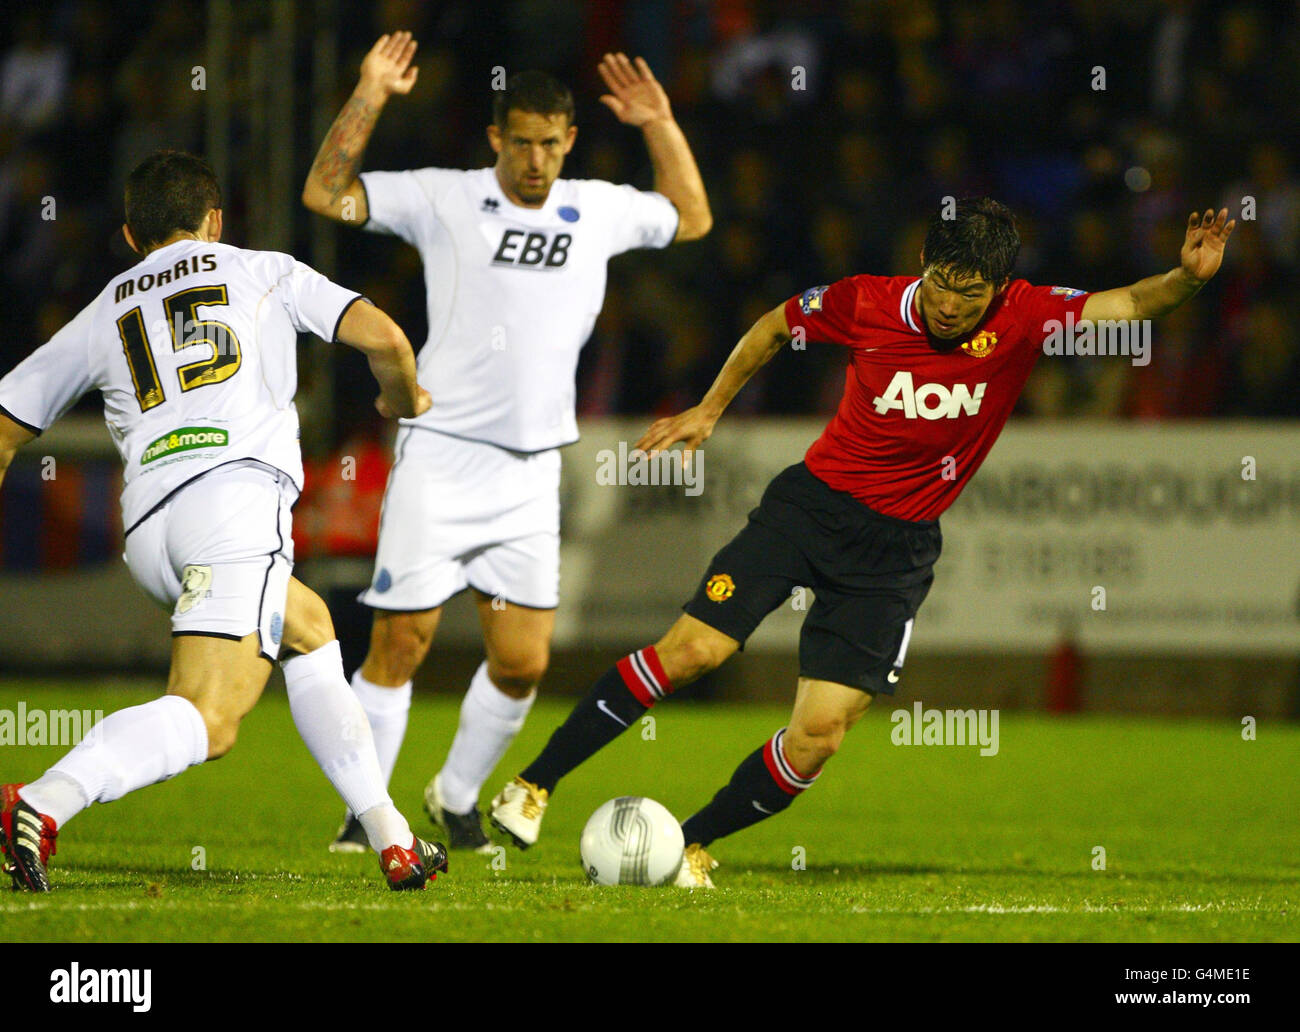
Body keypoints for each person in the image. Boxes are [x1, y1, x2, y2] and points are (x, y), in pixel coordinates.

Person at [490, 197, 1236, 887]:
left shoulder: (1028, 316)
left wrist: (1188, 278)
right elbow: (777, 324)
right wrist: (711, 408)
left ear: (999, 290)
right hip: (809, 510)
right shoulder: (867, 300)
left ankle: (686, 843)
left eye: (969, 295)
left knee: (817, 737)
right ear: (924, 265)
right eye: (941, 285)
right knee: (692, 652)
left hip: (896, 553)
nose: (949, 306)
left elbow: (1135, 303)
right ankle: (535, 783)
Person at [302, 32, 712, 851]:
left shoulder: (596, 207)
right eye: (519, 142)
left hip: (531, 471)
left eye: (549, 144)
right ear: (496, 139)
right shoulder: (443, 197)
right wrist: (372, 90)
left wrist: (660, 121)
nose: (534, 159)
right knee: (402, 642)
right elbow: (325, 193)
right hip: (443, 453)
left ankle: (453, 798)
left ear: (570, 141)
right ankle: (366, 815)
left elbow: (693, 218)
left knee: (524, 661)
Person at [0, 150, 447, 892]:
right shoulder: (264, 269)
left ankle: (392, 839)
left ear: (132, 236)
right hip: (233, 507)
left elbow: (8, 423)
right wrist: (403, 401)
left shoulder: (105, 306)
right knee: (211, 719)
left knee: (309, 630)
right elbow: (388, 339)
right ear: (215, 220)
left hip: (147, 533)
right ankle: (43, 801)